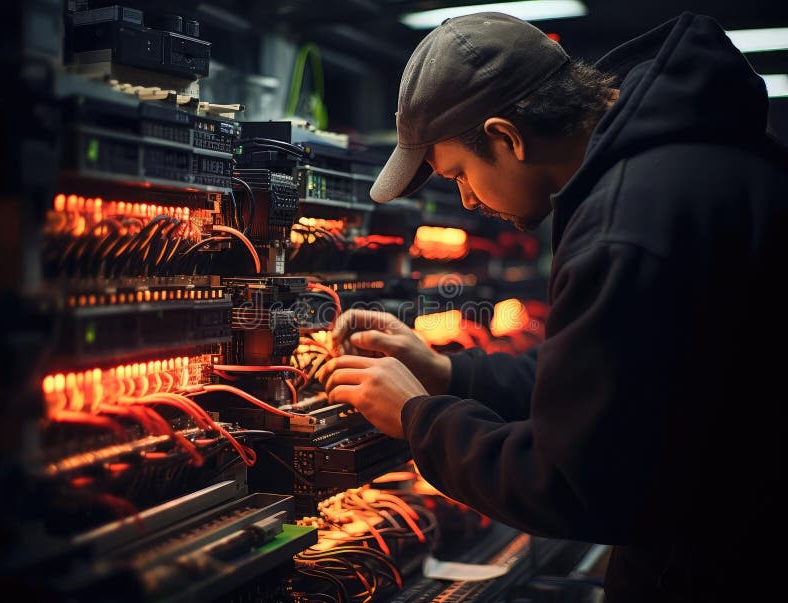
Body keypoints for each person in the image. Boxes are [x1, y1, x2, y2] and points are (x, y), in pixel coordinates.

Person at [320, 11, 787, 602]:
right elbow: (617, 378)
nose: (467, 199)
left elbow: (576, 485)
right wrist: (448, 372)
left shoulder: (624, 223)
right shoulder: (688, 166)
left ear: (508, 136)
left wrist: (419, 416)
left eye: (460, 174)